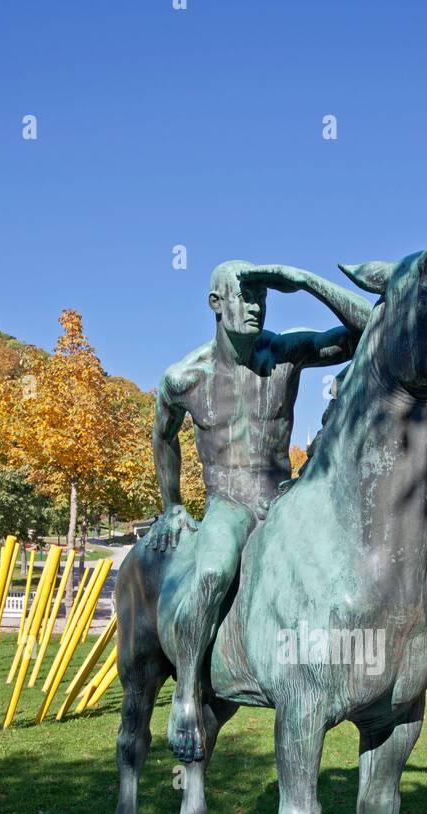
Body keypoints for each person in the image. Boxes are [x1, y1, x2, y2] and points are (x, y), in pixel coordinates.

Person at [148, 260, 372, 762]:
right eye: (243, 298)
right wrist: (172, 507)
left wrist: (306, 281)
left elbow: (367, 329)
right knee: (210, 573)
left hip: (282, 498)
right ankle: (185, 695)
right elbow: (163, 437)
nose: (254, 307)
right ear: (216, 304)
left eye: (261, 298)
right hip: (229, 503)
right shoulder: (186, 377)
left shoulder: (285, 352)